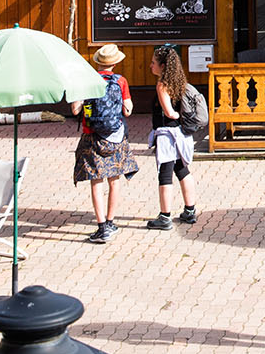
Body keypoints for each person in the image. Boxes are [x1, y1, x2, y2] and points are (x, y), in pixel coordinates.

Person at [71, 44, 136, 245]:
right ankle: (110, 221)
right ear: (115, 63)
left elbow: (75, 110)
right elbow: (128, 111)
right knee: (114, 180)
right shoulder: (121, 81)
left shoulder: (86, 81)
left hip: (92, 137)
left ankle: (101, 228)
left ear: (97, 62)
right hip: (115, 137)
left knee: (96, 182)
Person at [146, 45, 200, 231]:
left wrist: (176, 116)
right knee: (182, 170)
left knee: (165, 174)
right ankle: (190, 210)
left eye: (153, 63)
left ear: (162, 66)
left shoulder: (162, 85)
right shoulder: (179, 82)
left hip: (167, 134)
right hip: (181, 134)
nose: (150, 66)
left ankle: (164, 216)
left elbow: (169, 112)